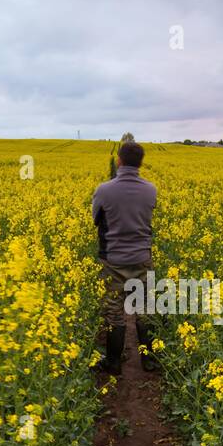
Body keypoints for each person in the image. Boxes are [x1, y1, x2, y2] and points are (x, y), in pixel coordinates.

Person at [92, 139, 158, 374]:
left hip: (113, 260)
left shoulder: (104, 190)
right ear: (141, 163)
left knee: (114, 312)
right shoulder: (151, 190)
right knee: (144, 310)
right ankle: (149, 361)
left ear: (118, 161)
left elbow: (96, 219)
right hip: (142, 258)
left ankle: (113, 363)